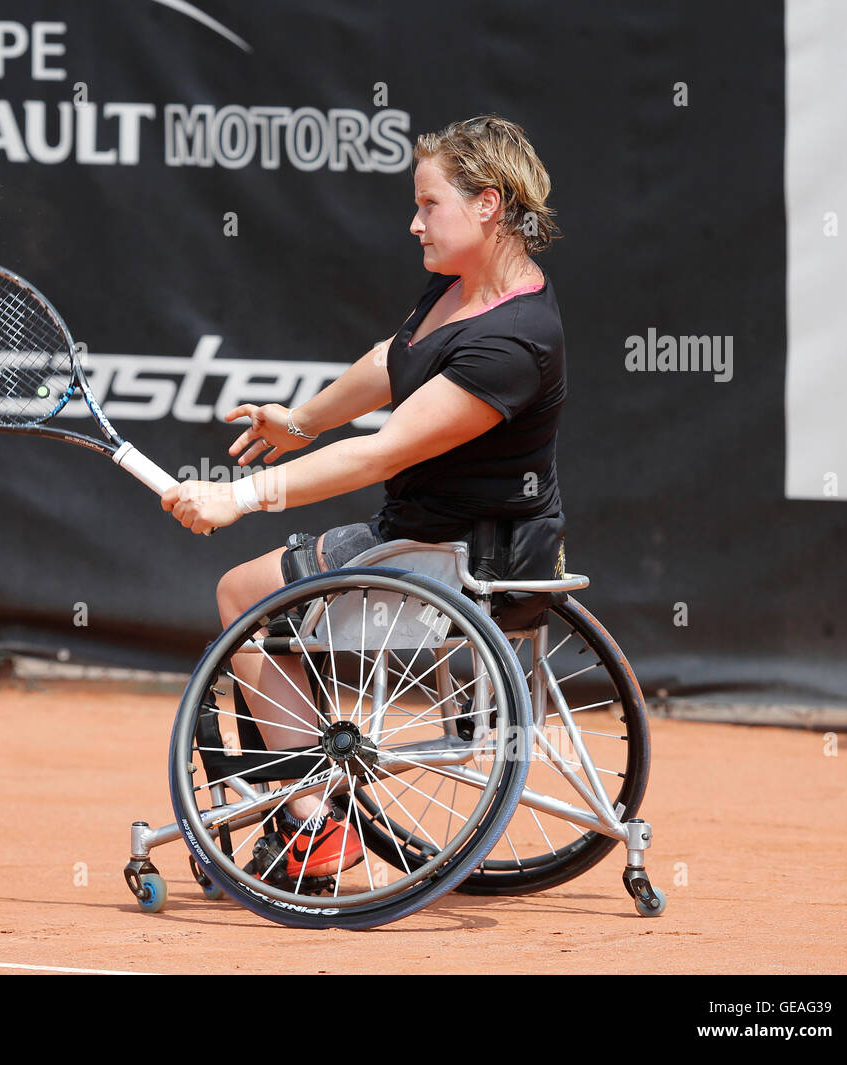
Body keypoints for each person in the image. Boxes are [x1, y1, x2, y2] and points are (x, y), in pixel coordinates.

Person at [161, 115, 565, 878]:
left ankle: (313, 819)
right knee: (259, 593)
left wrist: (239, 496)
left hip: (460, 559)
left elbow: (386, 448)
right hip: (424, 535)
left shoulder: (511, 342)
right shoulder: (461, 289)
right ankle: (301, 796)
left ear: (487, 205)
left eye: (429, 205)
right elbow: (395, 357)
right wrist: (301, 421)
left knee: (242, 594)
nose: (414, 223)